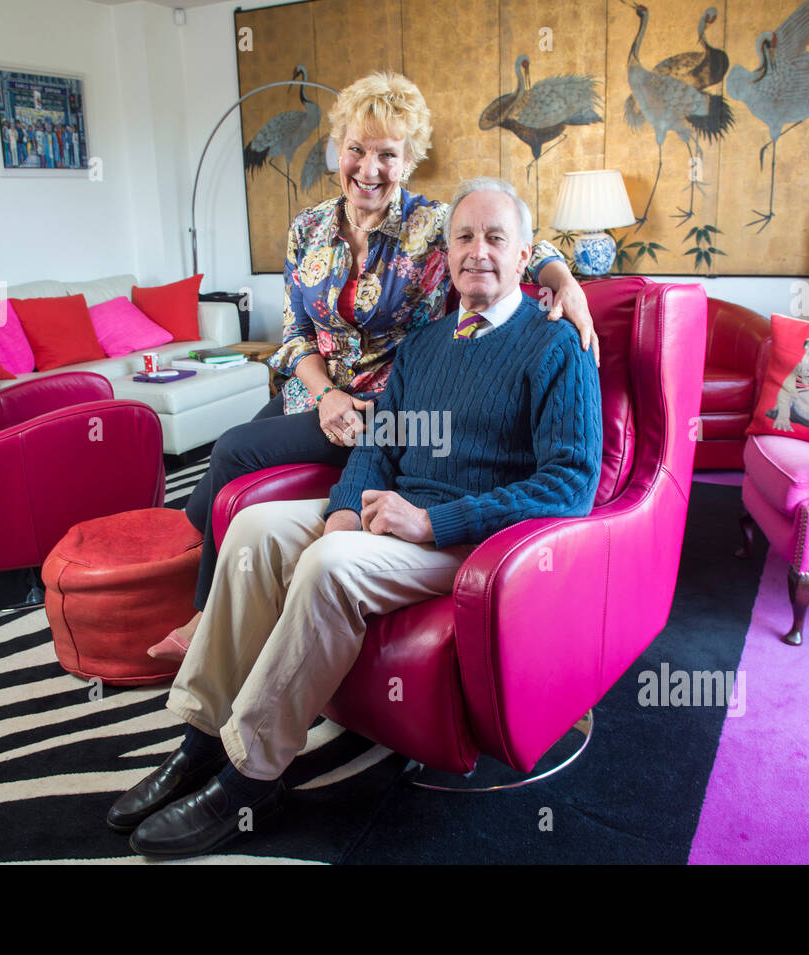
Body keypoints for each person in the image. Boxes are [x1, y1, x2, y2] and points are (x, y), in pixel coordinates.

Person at [109, 176, 603, 858]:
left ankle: (252, 772)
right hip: (391, 514)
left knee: (329, 566)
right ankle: (201, 736)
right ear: (446, 254)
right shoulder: (425, 344)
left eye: (496, 238)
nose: (477, 252)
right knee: (252, 531)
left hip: (471, 537)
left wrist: (434, 524)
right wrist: (344, 511)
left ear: (525, 256)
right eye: (464, 237)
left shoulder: (557, 344)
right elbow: (377, 445)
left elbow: (570, 485)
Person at [148, 71, 598, 662]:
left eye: (387, 154)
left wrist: (566, 281)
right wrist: (321, 393)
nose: (369, 168)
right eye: (357, 149)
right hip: (318, 391)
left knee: (232, 448)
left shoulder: (431, 224)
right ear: (339, 150)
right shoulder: (308, 228)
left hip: (382, 404)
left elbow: (508, 243)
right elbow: (294, 331)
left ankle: (207, 609)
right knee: (224, 465)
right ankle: (203, 554)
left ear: (407, 161)